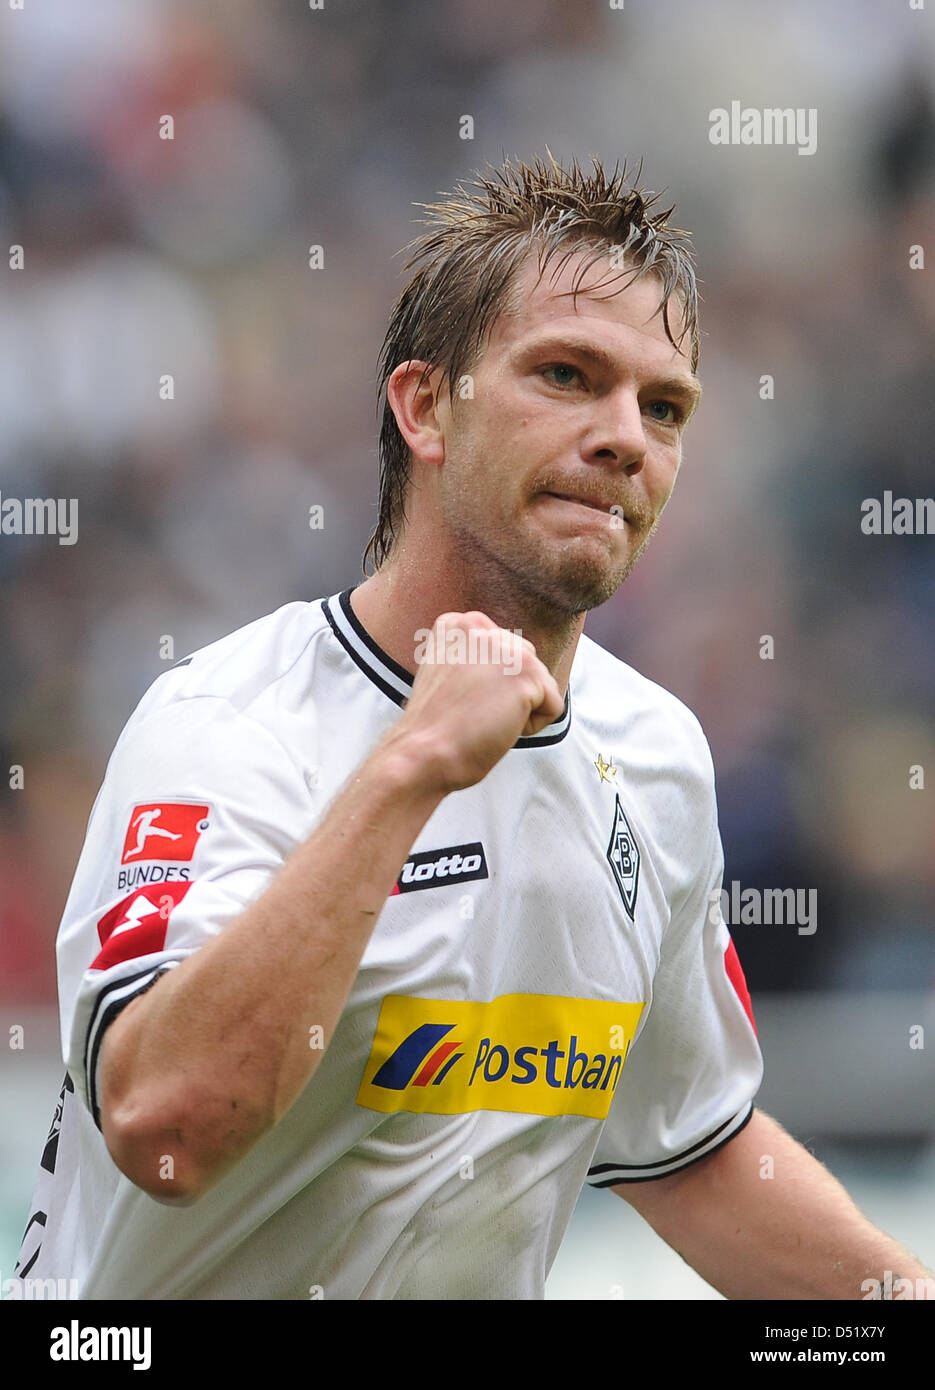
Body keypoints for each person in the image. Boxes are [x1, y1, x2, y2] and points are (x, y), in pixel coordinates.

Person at [14, 153, 931, 1301]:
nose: (623, 439)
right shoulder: (227, 723)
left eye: (663, 407)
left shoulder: (653, 756)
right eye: (565, 374)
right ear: (422, 406)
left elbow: (695, 1152)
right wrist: (411, 768)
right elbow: (165, 1134)